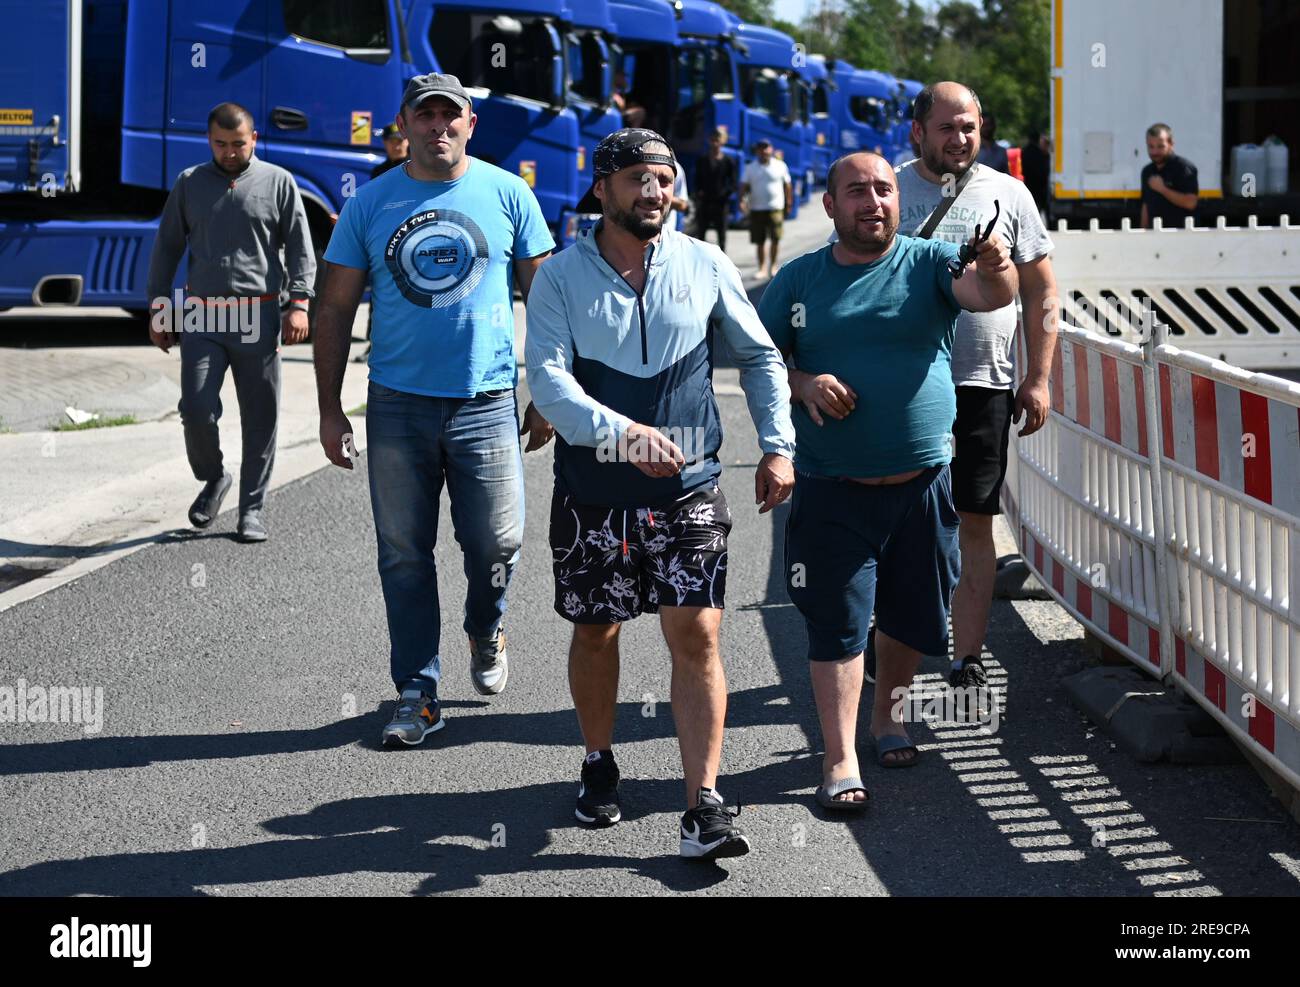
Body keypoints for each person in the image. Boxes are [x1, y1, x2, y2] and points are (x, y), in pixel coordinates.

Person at [525, 128, 796, 859]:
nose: (654, 192)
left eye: (664, 178)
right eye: (639, 179)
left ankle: (704, 804)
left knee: (698, 633)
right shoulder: (559, 276)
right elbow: (548, 381)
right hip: (595, 491)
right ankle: (597, 758)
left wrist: (777, 443)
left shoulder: (704, 262)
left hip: (690, 487)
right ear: (602, 189)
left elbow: (762, 355)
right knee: (597, 629)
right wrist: (620, 434)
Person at [758, 151, 1016, 807]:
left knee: (905, 615)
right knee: (838, 623)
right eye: (855, 192)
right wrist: (803, 382)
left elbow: (988, 294)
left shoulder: (928, 263)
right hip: (831, 485)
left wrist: (997, 266)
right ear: (829, 205)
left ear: (896, 201)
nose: (871, 202)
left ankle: (887, 717)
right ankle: (841, 756)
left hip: (922, 485)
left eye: (881, 190)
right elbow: (761, 362)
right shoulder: (798, 282)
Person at [312, 74, 556, 746]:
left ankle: (486, 625)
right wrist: (330, 409)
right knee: (402, 553)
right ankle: (418, 691)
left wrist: (551, 394)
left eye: (451, 116)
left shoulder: (509, 194)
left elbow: (551, 298)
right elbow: (332, 305)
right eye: (426, 117)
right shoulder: (373, 202)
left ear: (471, 125)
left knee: (497, 542)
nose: (438, 127)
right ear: (405, 125)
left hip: (486, 403)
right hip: (396, 406)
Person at [894, 82, 1057, 703]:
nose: (960, 139)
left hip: (982, 386)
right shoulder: (889, 189)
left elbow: (1043, 292)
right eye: (947, 127)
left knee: (975, 523)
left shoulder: (1009, 194)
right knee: (897, 522)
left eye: (969, 127)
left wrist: (1036, 377)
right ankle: (891, 644)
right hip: (905, 386)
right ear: (919, 132)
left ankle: (966, 658)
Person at [145, 102, 315, 543]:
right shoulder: (189, 184)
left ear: (254, 139)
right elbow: (166, 249)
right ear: (209, 141)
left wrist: (299, 303)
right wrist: (160, 310)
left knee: (261, 415)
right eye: (220, 144)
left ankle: (252, 509)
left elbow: (300, 247)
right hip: (202, 314)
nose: (229, 152)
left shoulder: (278, 182)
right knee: (196, 408)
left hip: (258, 314)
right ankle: (214, 476)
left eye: (238, 144)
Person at [740, 140, 792, 279]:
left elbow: (787, 185)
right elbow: (744, 186)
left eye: (766, 148)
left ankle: (773, 266)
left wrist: (789, 202)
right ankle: (762, 268)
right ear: (757, 151)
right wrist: (741, 201)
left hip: (775, 207)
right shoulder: (750, 167)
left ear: (771, 149)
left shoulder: (780, 165)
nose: (764, 151)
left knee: (776, 238)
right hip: (757, 208)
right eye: (761, 149)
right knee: (759, 241)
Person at [1140, 123, 1198, 228]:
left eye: (1160, 146)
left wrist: (1162, 189)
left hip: (1180, 236)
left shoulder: (1183, 168)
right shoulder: (1147, 171)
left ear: (1171, 144)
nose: (1155, 151)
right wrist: (1143, 233)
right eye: (1151, 146)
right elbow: (1145, 205)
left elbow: (1191, 203)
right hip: (1154, 236)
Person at [693, 128, 737, 248]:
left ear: (722, 142)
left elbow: (733, 183)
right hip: (705, 202)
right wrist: (698, 194)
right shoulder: (702, 160)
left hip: (721, 203)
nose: (714, 143)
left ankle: (722, 260)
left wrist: (725, 194)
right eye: (712, 140)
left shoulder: (728, 161)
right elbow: (697, 180)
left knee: (721, 233)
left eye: (717, 140)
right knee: (701, 233)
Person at [1021, 128, 1050, 216]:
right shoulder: (1040, 152)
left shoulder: (1025, 151)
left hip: (1029, 183)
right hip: (1040, 185)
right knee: (1042, 207)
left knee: (1031, 208)